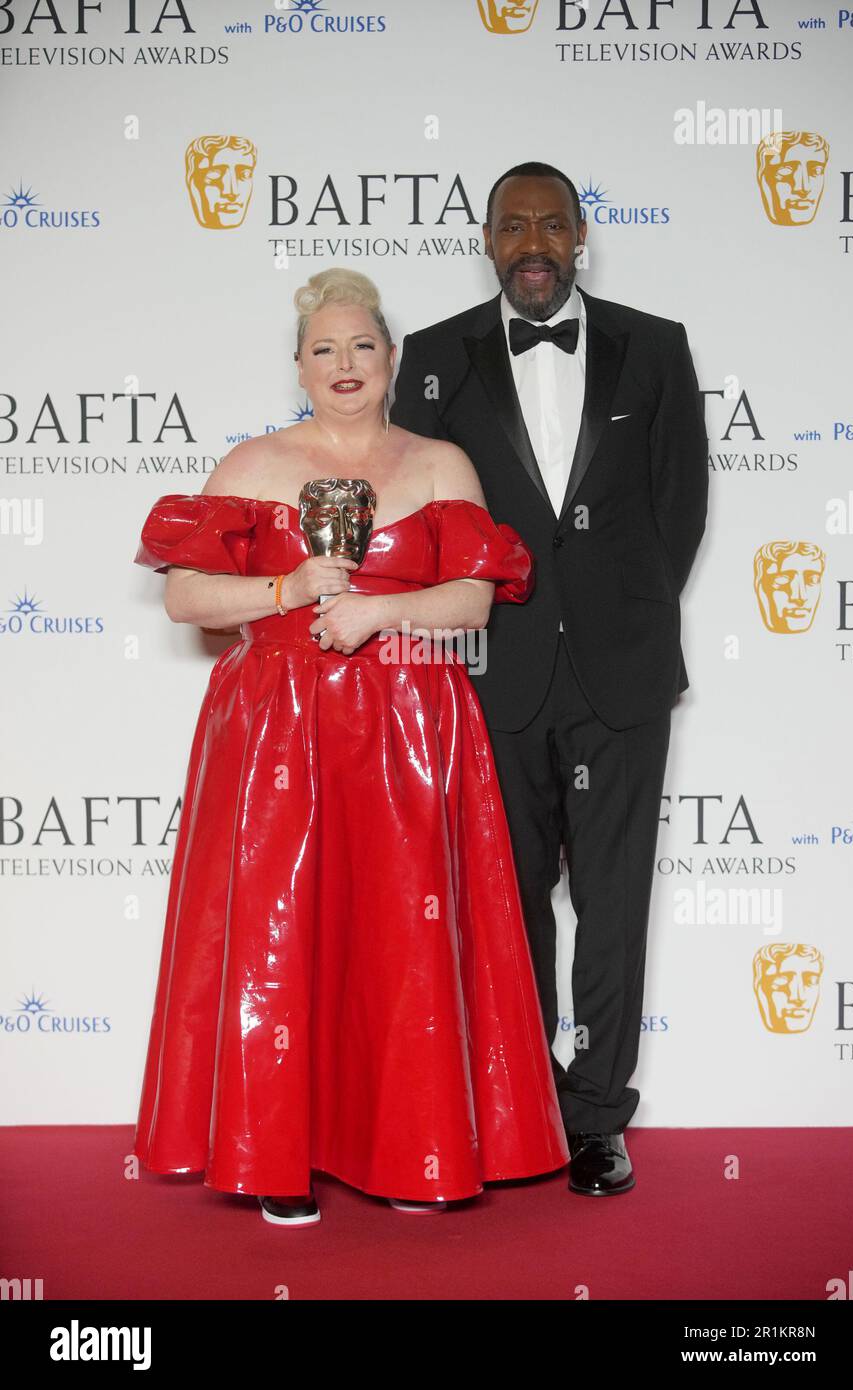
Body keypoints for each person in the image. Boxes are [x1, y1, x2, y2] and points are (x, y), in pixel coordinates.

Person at [132, 267, 569, 1226]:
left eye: (362, 346)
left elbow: (472, 602)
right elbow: (188, 598)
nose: (344, 364)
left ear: (391, 360)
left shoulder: (441, 463)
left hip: (413, 720)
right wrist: (288, 594)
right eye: (324, 348)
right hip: (278, 725)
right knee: (283, 936)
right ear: (297, 364)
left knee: (402, 940)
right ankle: (274, 1158)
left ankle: (418, 1151)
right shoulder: (250, 465)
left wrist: (378, 612)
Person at [391, 162, 708, 1196]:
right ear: (485, 241)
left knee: (612, 902)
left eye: (551, 223)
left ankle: (596, 1118)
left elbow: (677, 510)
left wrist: (624, 612)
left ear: (581, 235)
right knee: (506, 902)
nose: (532, 241)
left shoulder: (652, 347)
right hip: (494, 672)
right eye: (511, 224)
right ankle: (522, 1104)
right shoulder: (434, 358)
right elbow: (425, 523)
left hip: (619, 672)